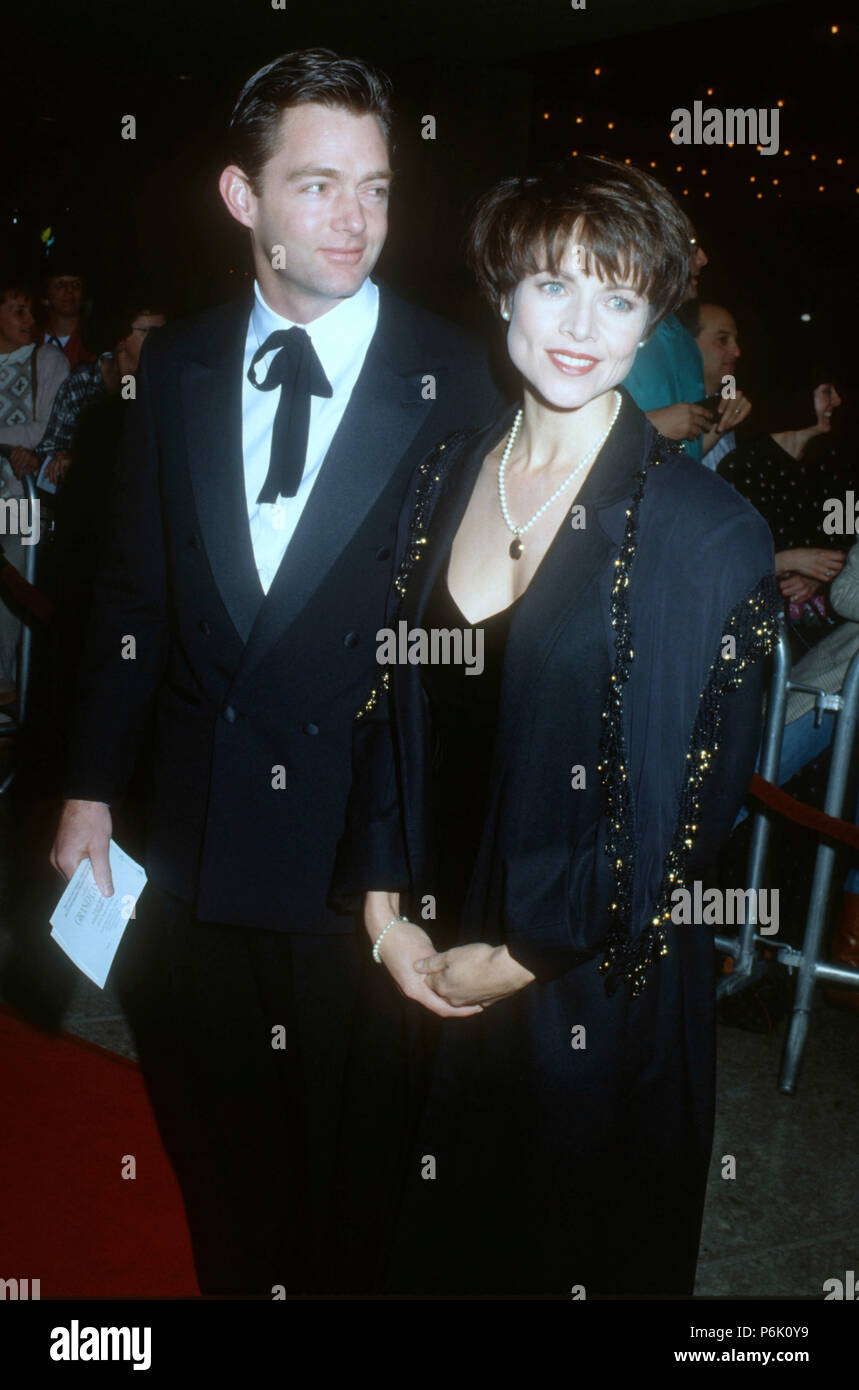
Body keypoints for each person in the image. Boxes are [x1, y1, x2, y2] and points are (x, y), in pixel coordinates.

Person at [49, 48, 503, 1297]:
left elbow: (470, 658)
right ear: (243, 199)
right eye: (317, 186)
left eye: (376, 187)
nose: (356, 219)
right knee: (217, 1143)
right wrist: (90, 788)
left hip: (358, 867)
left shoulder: (460, 378)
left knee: (357, 1165)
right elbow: (132, 600)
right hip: (188, 844)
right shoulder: (179, 369)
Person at [331, 155, 780, 1297]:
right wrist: (382, 902)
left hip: (587, 982)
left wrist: (524, 952)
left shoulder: (701, 531)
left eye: (620, 297)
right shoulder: (443, 470)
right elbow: (396, 699)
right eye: (552, 285)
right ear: (500, 290)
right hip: (424, 949)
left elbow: (688, 808)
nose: (582, 326)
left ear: (652, 322)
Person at [621, 220, 749, 461]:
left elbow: (684, 457)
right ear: (653, 249)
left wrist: (722, 423)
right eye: (691, 246)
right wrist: (647, 428)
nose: (703, 259)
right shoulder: (616, 324)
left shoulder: (686, 343)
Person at [0, 275, 69, 696]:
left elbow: (49, 428)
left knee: (11, 554)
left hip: (20, 497)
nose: (29, 320)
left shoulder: (47, 361)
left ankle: (4, 679)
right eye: (17, 311)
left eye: (30, 310)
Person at [36, 265, 96, 369]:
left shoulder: (95, 342)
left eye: (76, 284)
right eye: (60, 284)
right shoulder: (30, 337)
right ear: (45, 297)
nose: (69, 290)